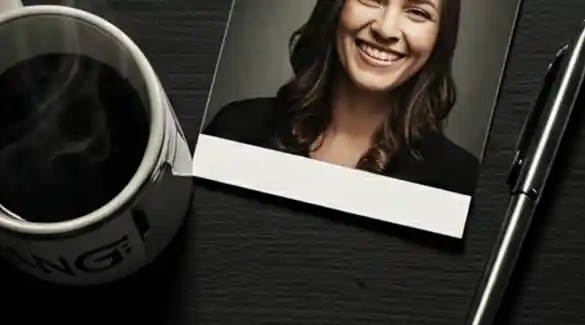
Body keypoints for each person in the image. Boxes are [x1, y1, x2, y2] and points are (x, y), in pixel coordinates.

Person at [205, 0, 479, 196]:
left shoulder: (458, 180)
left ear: (440, 37)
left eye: (418, 12)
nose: (386, 30)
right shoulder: (236, 129)